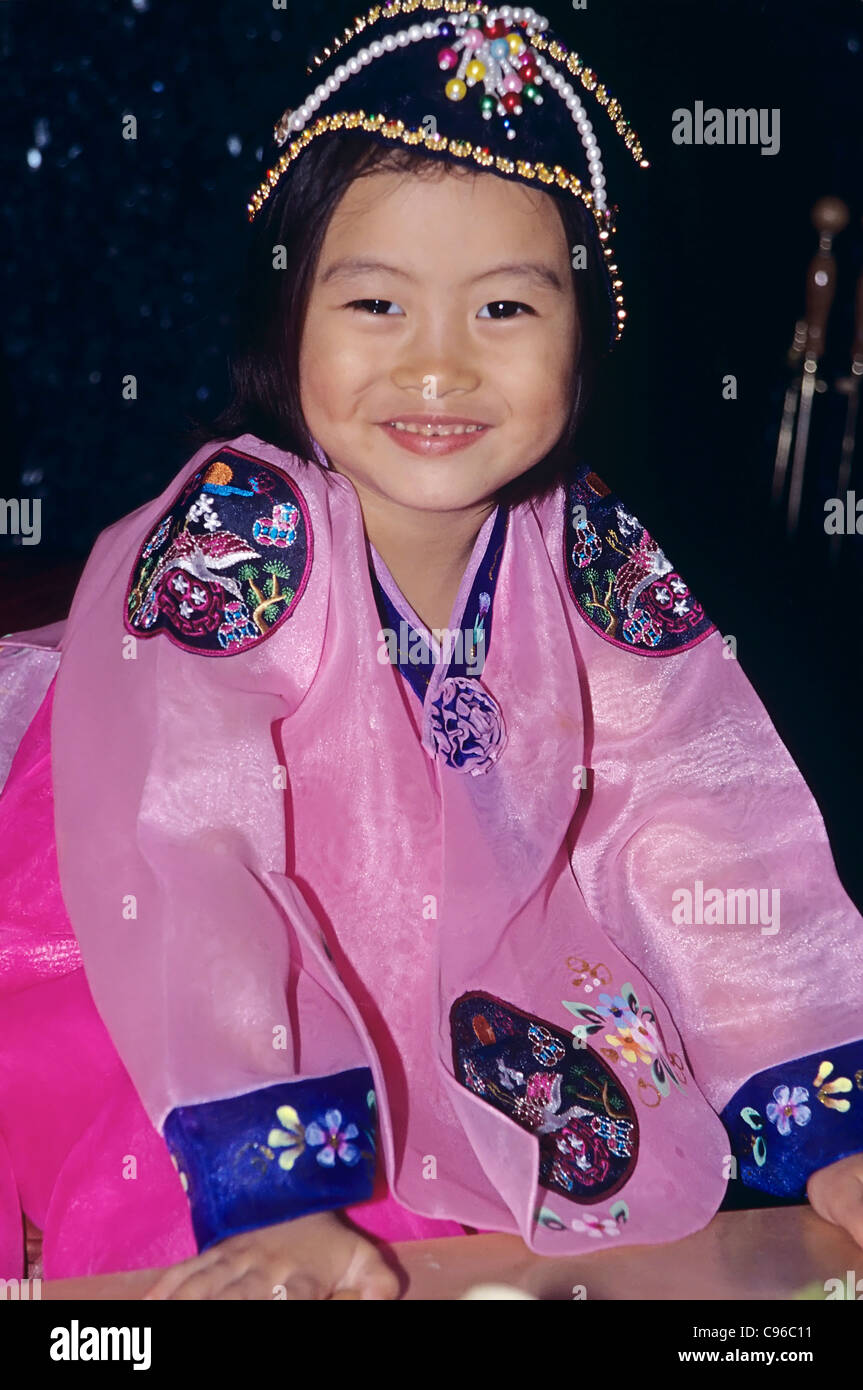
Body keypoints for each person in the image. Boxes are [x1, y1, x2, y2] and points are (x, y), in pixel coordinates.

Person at [1, 3, 862, 1302]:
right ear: (287, 313)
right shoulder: (238, 528)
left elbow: (701, 827)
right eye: (379, 302)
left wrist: (832, 1126)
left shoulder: (584, 548)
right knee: (240, 1233)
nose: (441, 364)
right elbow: (187, 846)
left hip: (436, 947)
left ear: (591, 330)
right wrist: (274, 1184)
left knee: (515, 1212)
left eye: (507, 304)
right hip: (163, 937)